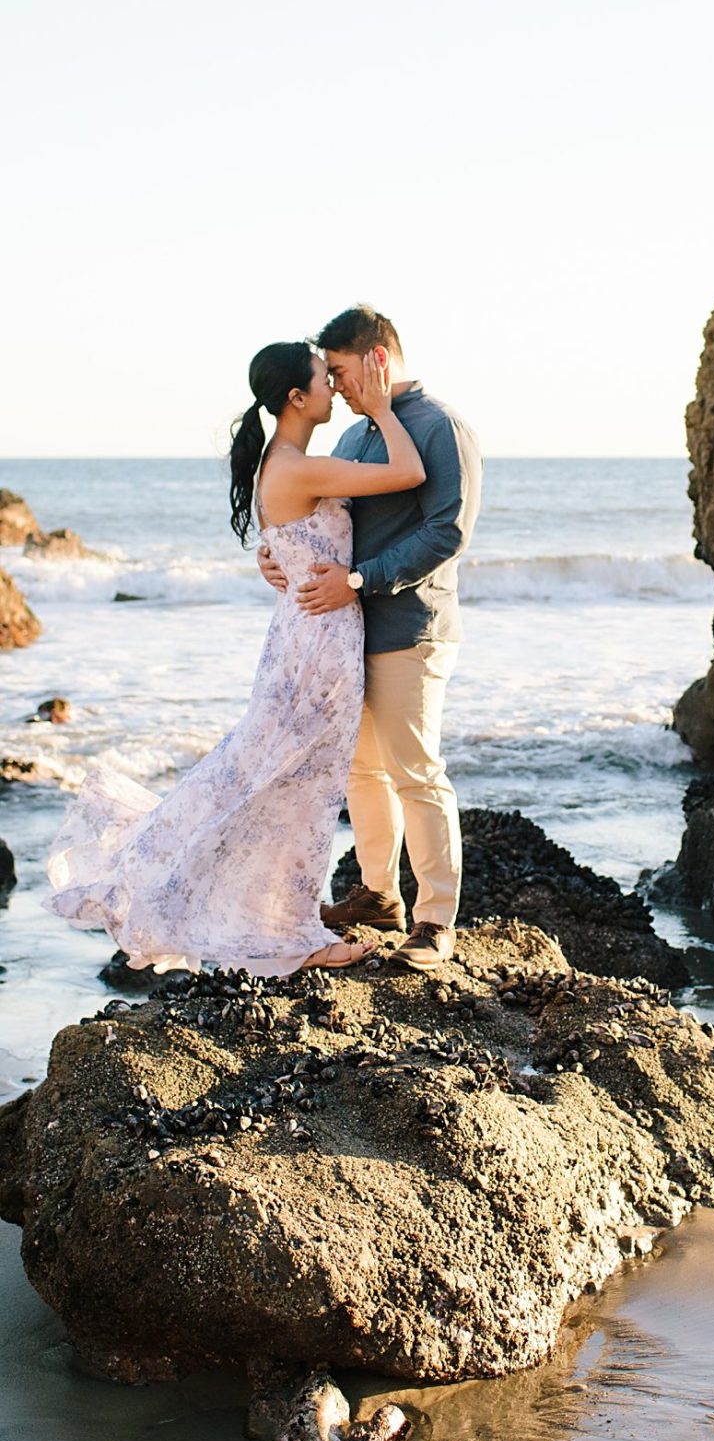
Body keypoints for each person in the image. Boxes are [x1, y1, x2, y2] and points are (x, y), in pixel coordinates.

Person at [45, 340, 425, 975]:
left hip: (306, 639)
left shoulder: (285, 461)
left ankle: (275, 923)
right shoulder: (298, 465)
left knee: (280, 781)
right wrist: (384, 409)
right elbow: (409, 472)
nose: (334, 388)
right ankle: (288, 932)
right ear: (296, 399)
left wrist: (275, 559)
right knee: (297, 788)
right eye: (323, 381)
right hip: (317, 647)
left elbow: (291, 541)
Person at [257, 306, 482, 972]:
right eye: (330, 373)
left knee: (417, 771)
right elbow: (319, 519)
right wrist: (278, 559)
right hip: (347, 636)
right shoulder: (356, 440)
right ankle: (379, 894)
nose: (339, 384)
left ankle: (435, 919)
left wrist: (359, 579)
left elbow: (447, 531)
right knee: (362, 771)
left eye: (345, 371)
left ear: (378, 360)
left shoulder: (438, 426)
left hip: (411, 627)